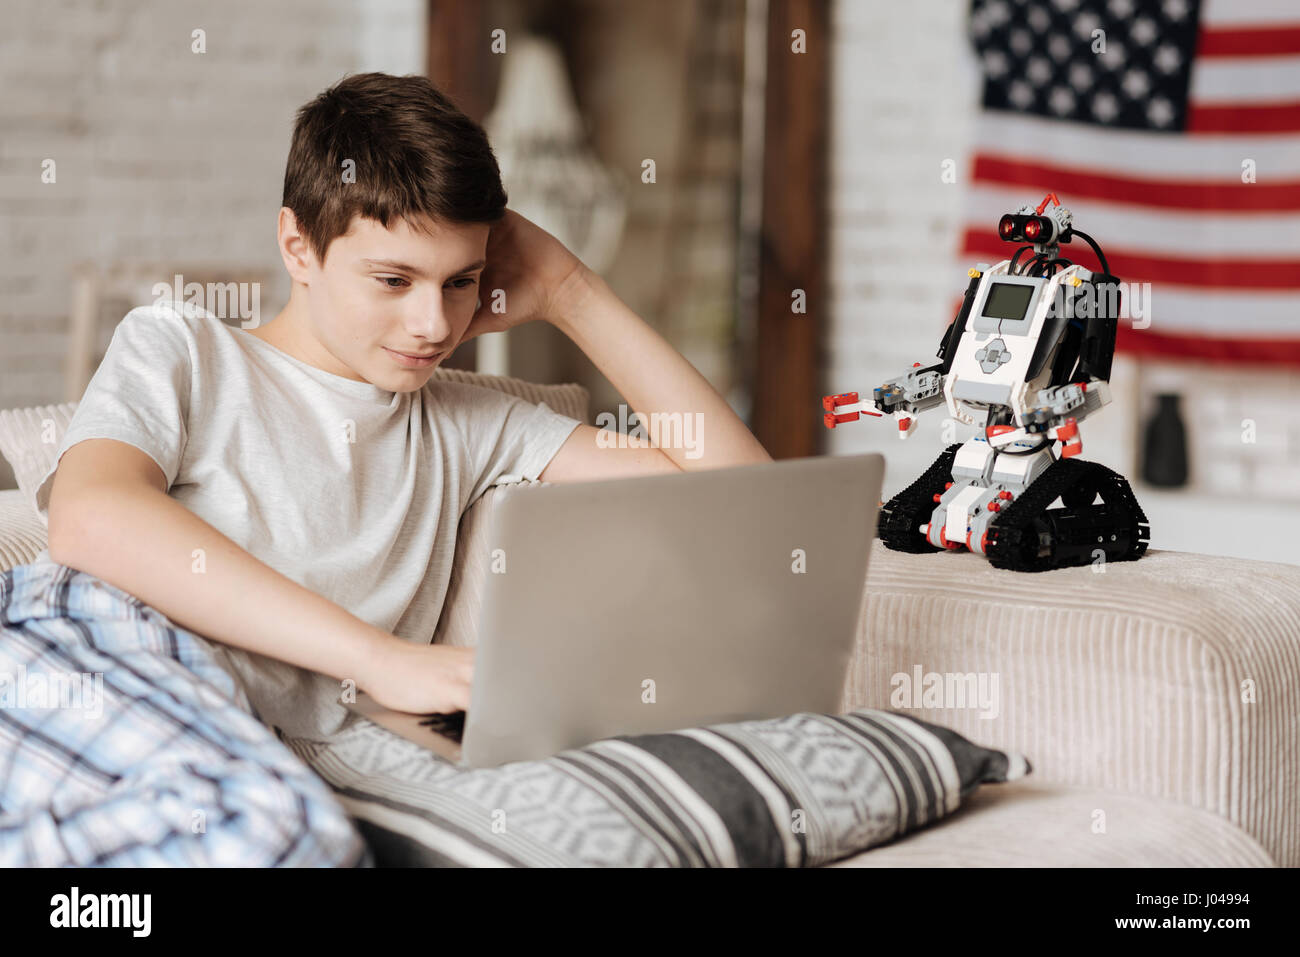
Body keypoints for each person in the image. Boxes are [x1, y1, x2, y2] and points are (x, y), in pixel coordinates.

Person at [0, 72, 770, 865]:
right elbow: (91, 518)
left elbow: (749, 505)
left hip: (228, 740)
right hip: (84, 639)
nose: (433, 323)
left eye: (460, 281)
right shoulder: (187, 348)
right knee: (274, 834)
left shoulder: (471, 420)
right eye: (394, 280)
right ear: (298, 245)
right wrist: (383, 660)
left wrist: (577, 293)